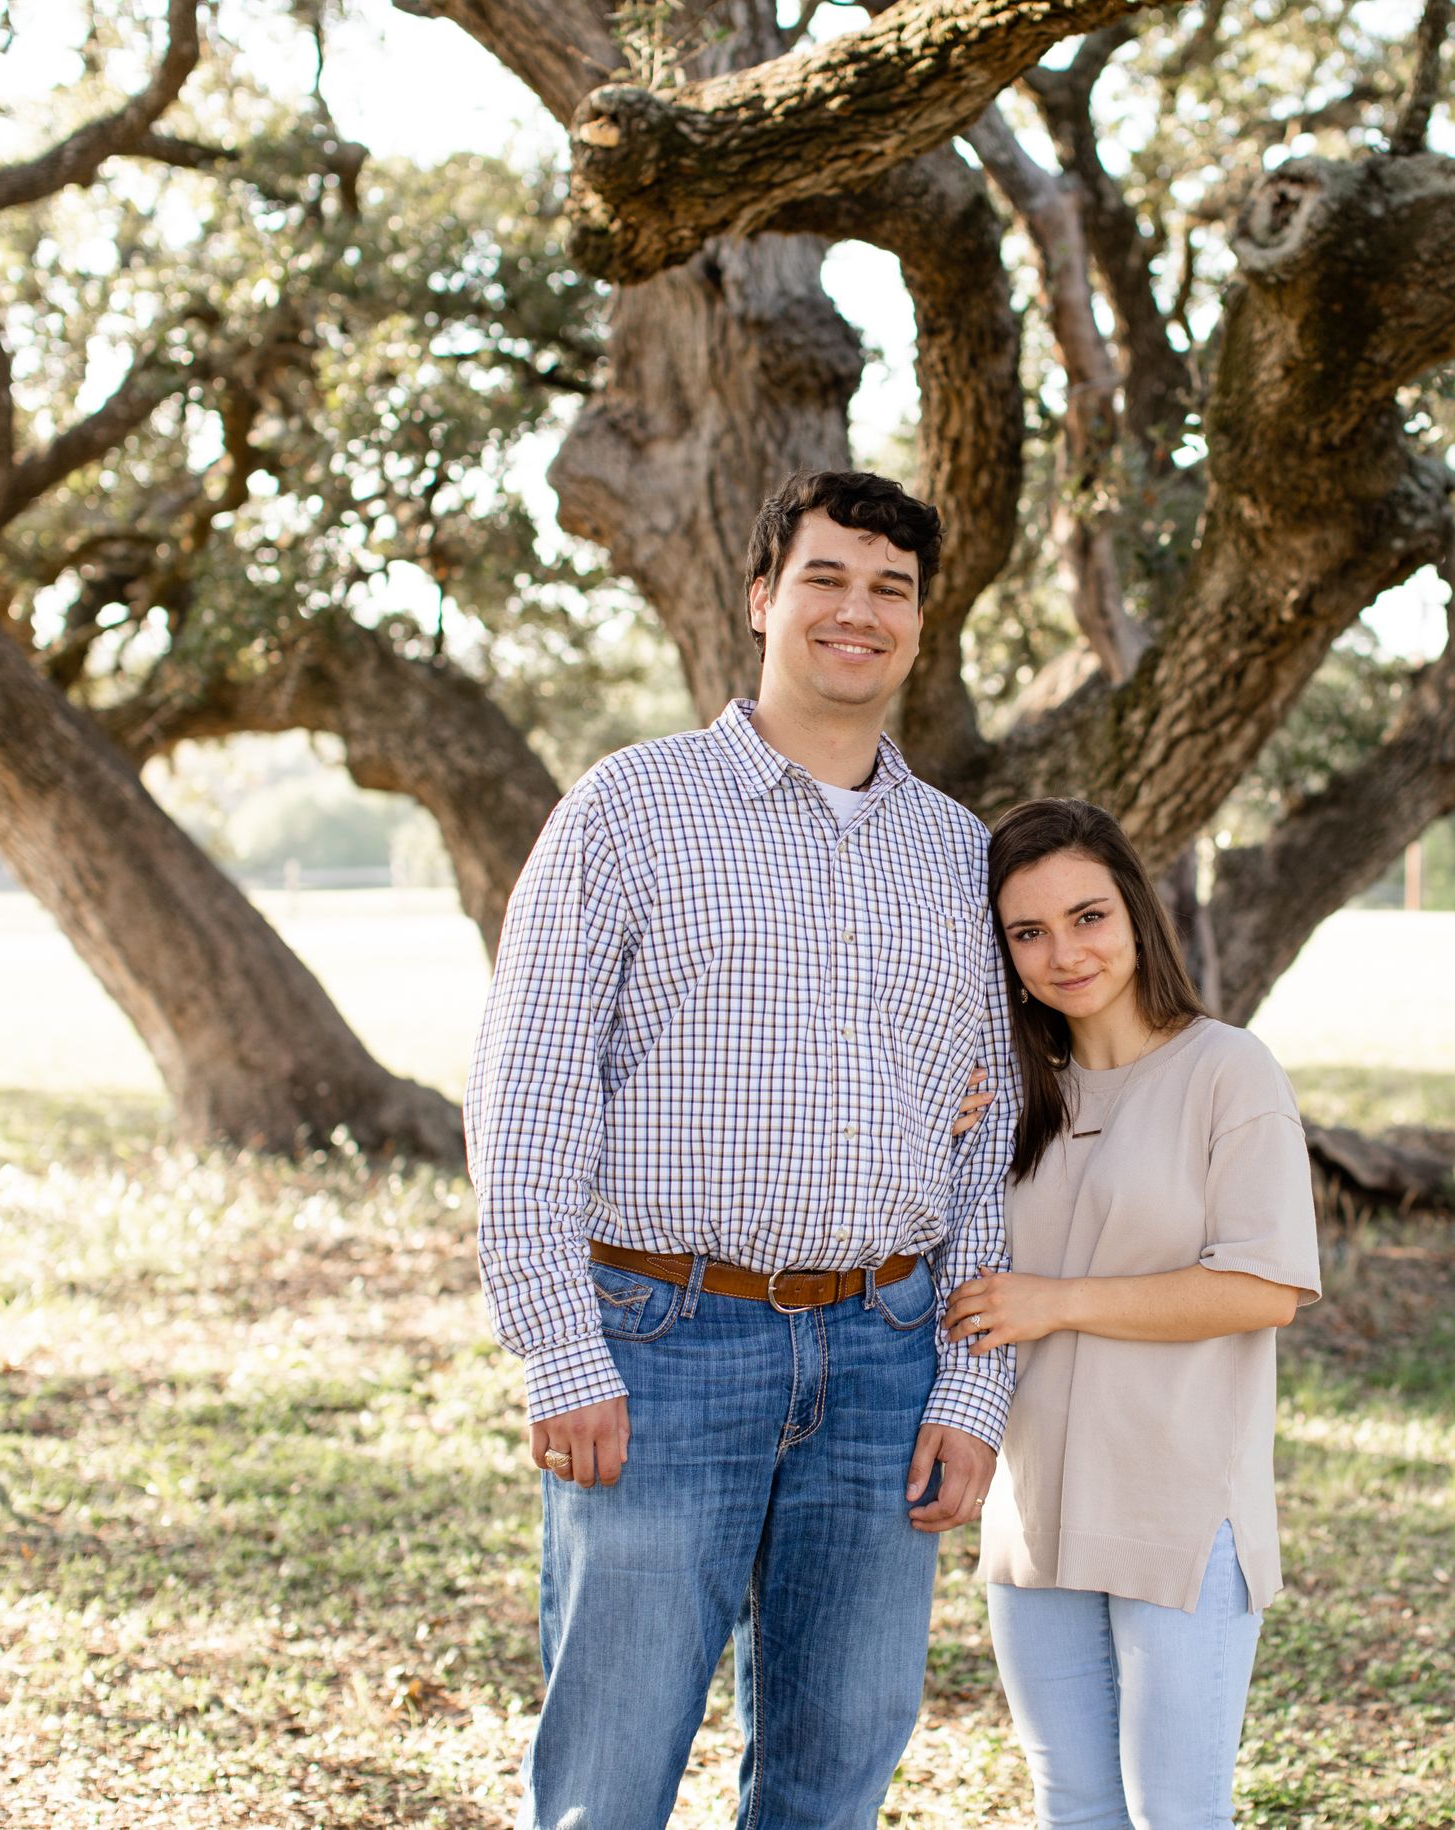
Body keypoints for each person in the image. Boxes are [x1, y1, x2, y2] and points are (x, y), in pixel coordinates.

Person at [467, 470, 1017, 1830]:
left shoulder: (961, 856)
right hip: (658, 1342)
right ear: (763, 598)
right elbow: (527, 1090)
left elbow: (988, 1127)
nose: (859, 610)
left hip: (887, 1352)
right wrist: (559, 1344)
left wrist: (972, 1387)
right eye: (826, 577)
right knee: (610, 1775)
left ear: (920, 624)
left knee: (836, 1770)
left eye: (892, 588)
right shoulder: (628, 812)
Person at [945, 798, 1321, 1830]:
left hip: (1179, 1507)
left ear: (1135, 916)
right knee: (1072, 1804)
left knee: (1176, 1814)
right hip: (1037, 1511)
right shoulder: (1021, 1097)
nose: (1064, 952)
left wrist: (1056, 1305)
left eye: (1087, 916)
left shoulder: (1225, 1071)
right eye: (1028, 932)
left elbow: (1263, 1286)